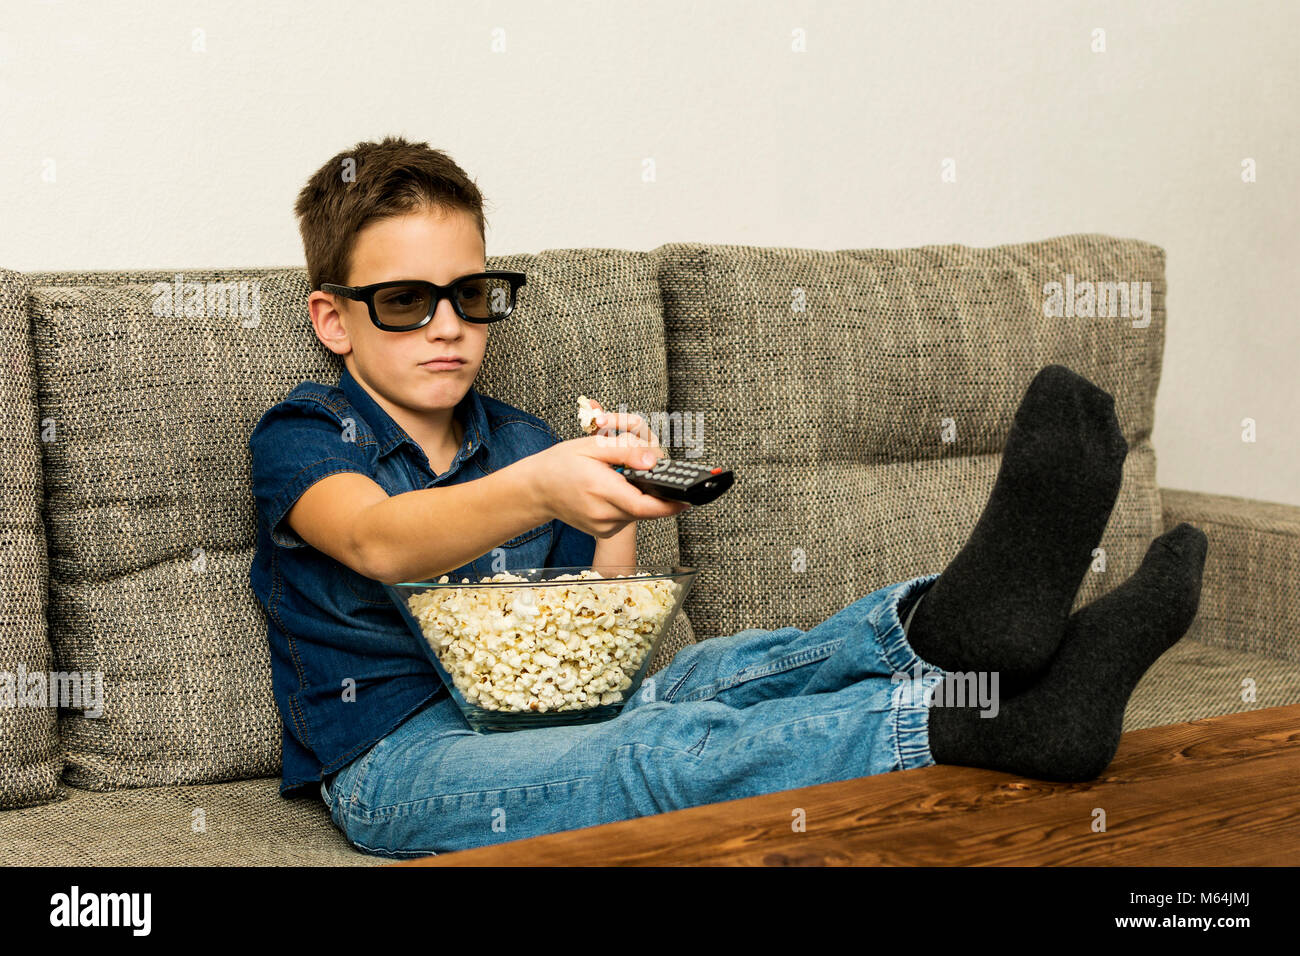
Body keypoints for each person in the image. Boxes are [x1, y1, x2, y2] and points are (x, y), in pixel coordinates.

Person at [248, 136, 1207, 859]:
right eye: (408, 302)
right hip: (405, 760)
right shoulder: (305, 436)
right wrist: (539, 488)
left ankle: (952, 633)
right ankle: (982, 721)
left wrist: (611, 518)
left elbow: (592, 652)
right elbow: (377, 541)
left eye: (473, 295)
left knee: (730, 670)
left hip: (553, 704)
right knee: (665, 750)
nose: (448, 327)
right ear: (333, 317)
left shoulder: (521, 437)